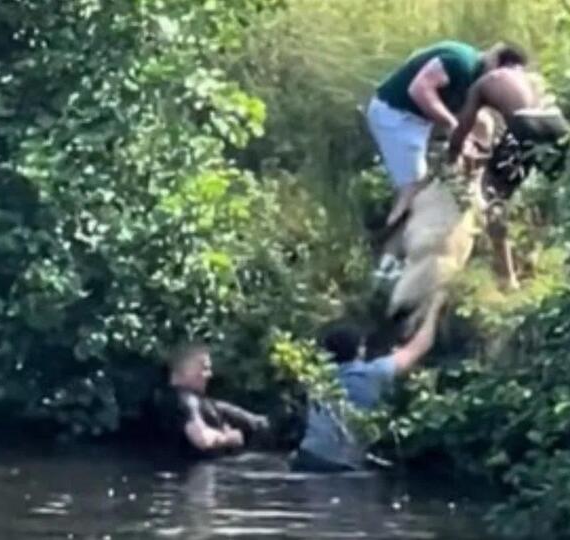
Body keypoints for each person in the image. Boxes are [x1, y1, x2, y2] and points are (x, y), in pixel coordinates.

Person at [366, 40, 529, 280]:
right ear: (495, 64)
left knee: (484, 124)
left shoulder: (480, 78)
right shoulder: (459, 62)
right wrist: (454, 127)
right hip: (396, 116)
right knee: (413, 188)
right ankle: (386, 264)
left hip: (421, 119)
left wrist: (470, 144)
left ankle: (466, 188)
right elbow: (419, 90)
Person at [292, 292, 448, 472]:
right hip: (340, 467)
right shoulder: (373, 373)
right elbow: (419, 347)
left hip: (306, 457)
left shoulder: (317, 379)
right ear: (360, 350)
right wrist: (435, 308)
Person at [447, 68, 570, 290]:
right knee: (549, 192)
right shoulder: (527, 82)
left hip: (524, 125)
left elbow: (464, 126)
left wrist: (453, 154)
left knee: (493, 196)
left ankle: (507, 277)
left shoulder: (483, 84)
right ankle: (534, 252)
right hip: (558, 125)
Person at [157, 343, 270, 458]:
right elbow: (202, 439)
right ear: (186, 371)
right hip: (195, 473)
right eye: (204, 368)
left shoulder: (195, 401)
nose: (209, 375)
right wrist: (229, 438)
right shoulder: (186, 401)